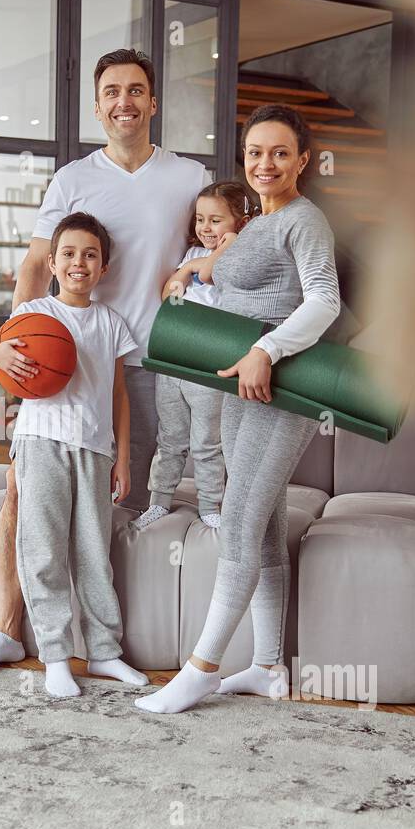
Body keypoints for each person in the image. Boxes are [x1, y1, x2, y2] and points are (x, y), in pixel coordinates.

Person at [0, 47, 209, 678]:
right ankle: (7, 632)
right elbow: (35, 266)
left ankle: (111, 646)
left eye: (135, 90)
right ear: (97, 106)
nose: (123, 101)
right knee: (21, 499)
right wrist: (13, 364)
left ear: (153, 102)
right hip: (62, 370)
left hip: (149, 366)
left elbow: (217, 244)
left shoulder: (189, 175)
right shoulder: (73, 177)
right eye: (111, 92)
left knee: (119, 507)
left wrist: (198, 268)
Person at [135, 104, 341, 713]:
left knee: (242, 526)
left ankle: (201, 668)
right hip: (248, 391)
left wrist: (266, 348)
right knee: (269, 528)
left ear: (303, 160)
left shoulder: (305, 220)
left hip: (281, 391)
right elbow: (237, 275)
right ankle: (268, 666)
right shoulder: (258, 223)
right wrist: (196, 268)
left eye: (279, 153)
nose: (265, 163)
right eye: (255, 152)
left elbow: (324, 300)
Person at [0, 212, 148, 697]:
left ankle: (105, 653)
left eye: (90, 255)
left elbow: (119, 396)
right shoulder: (34, 315)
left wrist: (123, 458)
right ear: (51, 261)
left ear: (103, 266)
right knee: (42, 549)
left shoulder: (111, 322)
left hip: (94, 451)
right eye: (68, 253)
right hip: (40, 442)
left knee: (93, 554)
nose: (78, 263)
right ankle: (55, 657)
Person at [132, 180, 253, 532]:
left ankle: (210, 504)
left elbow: (210, 273)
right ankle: (159, 500)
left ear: (240, 224)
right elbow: (168, 295)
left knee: (206, 443)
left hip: (209, 368)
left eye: (216, 221)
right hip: (173, 364)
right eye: (200, 219)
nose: (205, 228)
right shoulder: (189, 257)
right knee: (170, 439)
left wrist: (216, 253)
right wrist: (184, 270)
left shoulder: (238, 261)